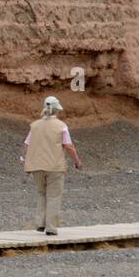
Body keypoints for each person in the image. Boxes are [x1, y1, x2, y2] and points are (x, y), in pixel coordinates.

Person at [21, 95, 82, 235]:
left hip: (36, 166)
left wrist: (22, 158)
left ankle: (40, 223)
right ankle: (51, 227)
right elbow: (69, 146)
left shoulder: (35, 125)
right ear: (57, 110)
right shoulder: (61, 126)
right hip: (55, 166)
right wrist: (77, 161)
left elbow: (26, 144)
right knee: (54, 196)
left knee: (42, 194)